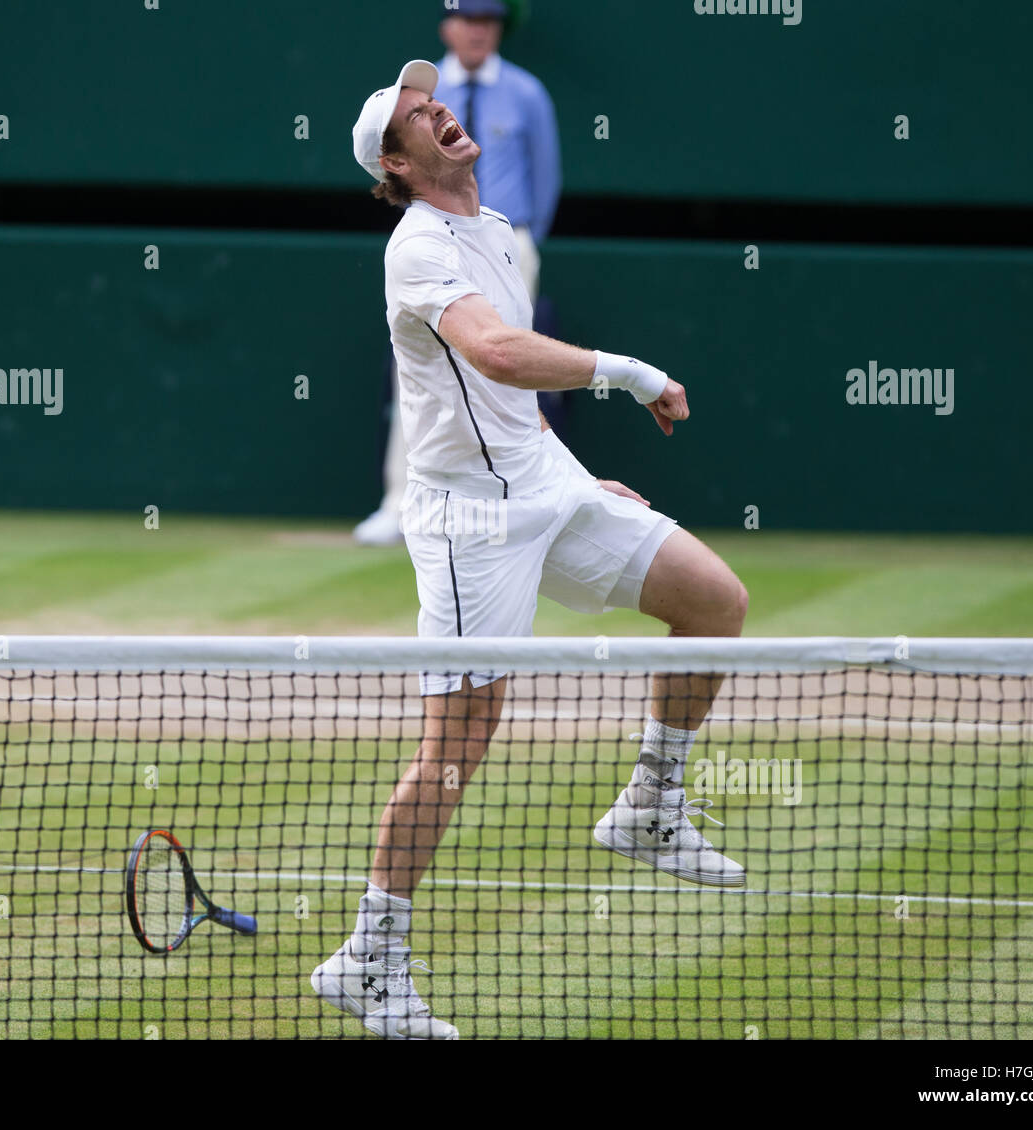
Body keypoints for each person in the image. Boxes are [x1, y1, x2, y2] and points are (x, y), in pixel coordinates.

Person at [313, 60, 748, 1041]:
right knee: (457, 746)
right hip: (471, 523)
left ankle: (650, 804)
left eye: (438, 104)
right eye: (419, 117)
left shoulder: (495, 230)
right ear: (397, 161)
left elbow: (512, 400)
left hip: (545, 483)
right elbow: (500, 354)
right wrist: (631, 373)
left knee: (713, 598)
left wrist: (576, 477)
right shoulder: (416, 248)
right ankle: (368, 957)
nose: (442, 115)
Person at [352, 0, 561, 546]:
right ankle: (398, 501)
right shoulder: (414, 234)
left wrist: (521, 239)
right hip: (439, 245)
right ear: (447, 25)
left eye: (489, 21)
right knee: (425, 375)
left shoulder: (527, 93)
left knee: (508, 366)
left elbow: (546, 178)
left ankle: (533, 495)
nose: (477, 30)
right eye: (468, 18)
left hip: (507, 239)